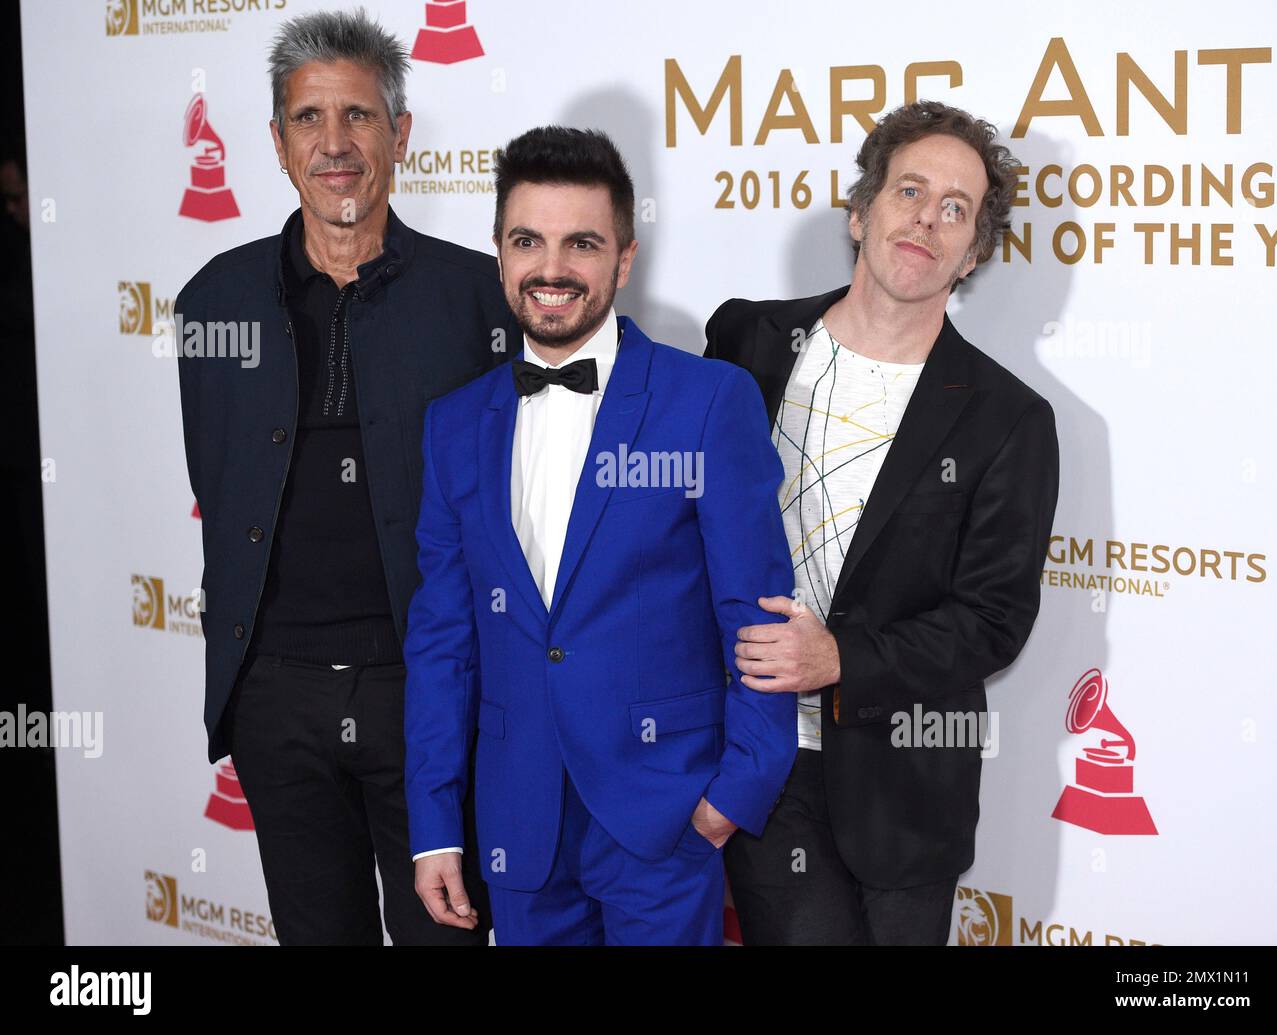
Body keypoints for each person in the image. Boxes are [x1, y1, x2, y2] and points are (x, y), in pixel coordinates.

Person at [405, 126, 796, 945]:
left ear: (624, 259)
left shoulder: (708, 401)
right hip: (518, 822)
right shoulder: (453, 424)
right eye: (527, 241)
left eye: (581, 243)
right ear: (500, 254)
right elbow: (442, 640)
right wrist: (435, 824)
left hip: (666, 819)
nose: (551, 269)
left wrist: (729, 799)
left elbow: (758, 617)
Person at [174, 9, 516, 945]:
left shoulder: (477, 296)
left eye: (359, 116)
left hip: (429, 692)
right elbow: (220, 481)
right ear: (278, 141)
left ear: (399, 135)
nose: (335, 143)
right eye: (310, 118)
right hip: (275, 697)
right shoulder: (213, 301)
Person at [705, 100, 1060, 945]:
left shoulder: (1008, 418)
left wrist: (841, 659)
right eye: (910, 191)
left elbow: (994, 618)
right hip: (759, 758)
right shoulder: (749, 341)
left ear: (973, 253)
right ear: (861, 212)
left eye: (955, 208)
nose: (926, 220)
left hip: (906, 790)